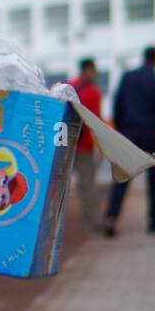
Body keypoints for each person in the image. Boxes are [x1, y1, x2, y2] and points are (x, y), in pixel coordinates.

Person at [104, 46, 155, 237]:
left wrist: (122, 130)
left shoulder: (128, 78)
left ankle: (112, 218)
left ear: (143, 58)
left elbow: (117, 105)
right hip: (152, 135)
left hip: (129, 134)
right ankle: (154, 223)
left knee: (122, 176)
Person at [68, 58, 104, 232]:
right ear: (89, 69)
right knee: (88, 184)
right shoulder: (93, 92)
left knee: (60, 185)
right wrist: (102, 148)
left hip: (66, 144)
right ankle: (93, 221)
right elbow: (96, 123)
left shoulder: (69, 87)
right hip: (84, 146)